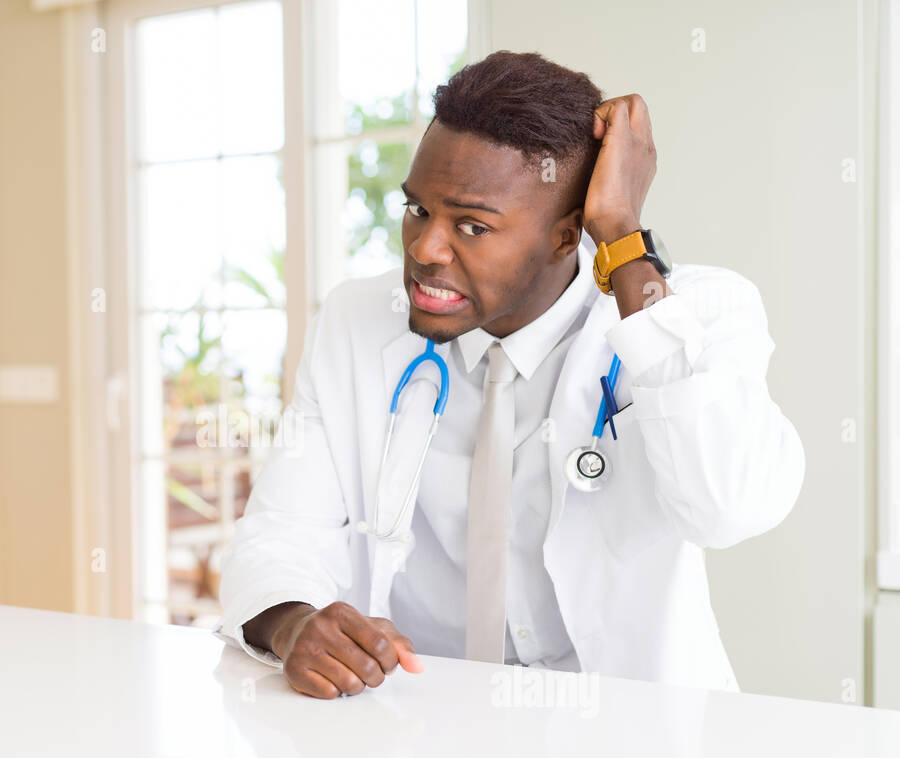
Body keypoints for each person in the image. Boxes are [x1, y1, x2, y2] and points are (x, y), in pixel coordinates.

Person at [214, 50, 805, 699]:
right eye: (418, 211)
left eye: (472, 225)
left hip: (630, 745)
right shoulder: (357, 321)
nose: (425, 249)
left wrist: (626, 245)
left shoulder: (689, 311)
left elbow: (729, 505)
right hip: (422, 726)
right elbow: (280, 533)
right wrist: (295, 624)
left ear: (565, 236)